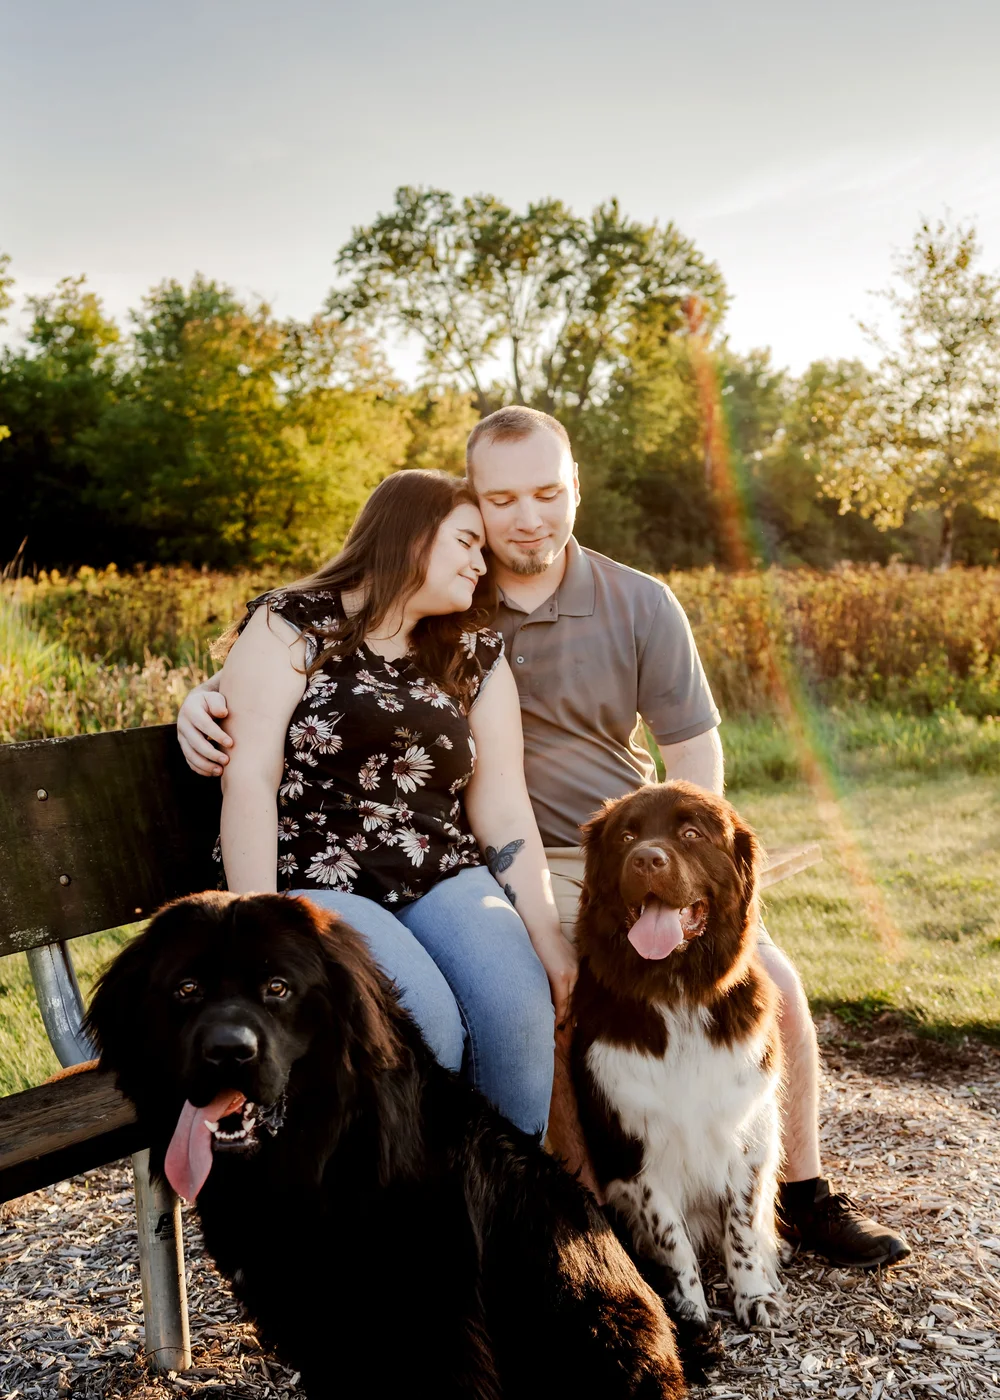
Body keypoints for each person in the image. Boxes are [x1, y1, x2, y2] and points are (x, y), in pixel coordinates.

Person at [180, 410, 910, 1269]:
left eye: (547, 493)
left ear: (575, 489)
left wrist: (696, 878)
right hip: (495, 865)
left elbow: (690, 752)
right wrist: (203, 700)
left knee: (771, 985)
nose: (527, 518)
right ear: (465, 510)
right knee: (530, 993)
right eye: (500, 502)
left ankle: (801, 1193)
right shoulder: (454, 598)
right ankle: (584, 1227)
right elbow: (307, 680)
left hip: (618, 857)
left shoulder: (628, 601)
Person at [208, 468, 575, 1141]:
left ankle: (507, 1195)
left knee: (518, 1010)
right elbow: (250, 778)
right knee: (422, 1026)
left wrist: (546, 937)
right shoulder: (293, 624)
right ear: (411, 536)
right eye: (466, 541)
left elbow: (502, 807)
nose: (480, 562)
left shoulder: (473, 653)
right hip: (320, 881)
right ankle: (409, 1198)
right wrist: (256, 929)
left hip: (444, 876)